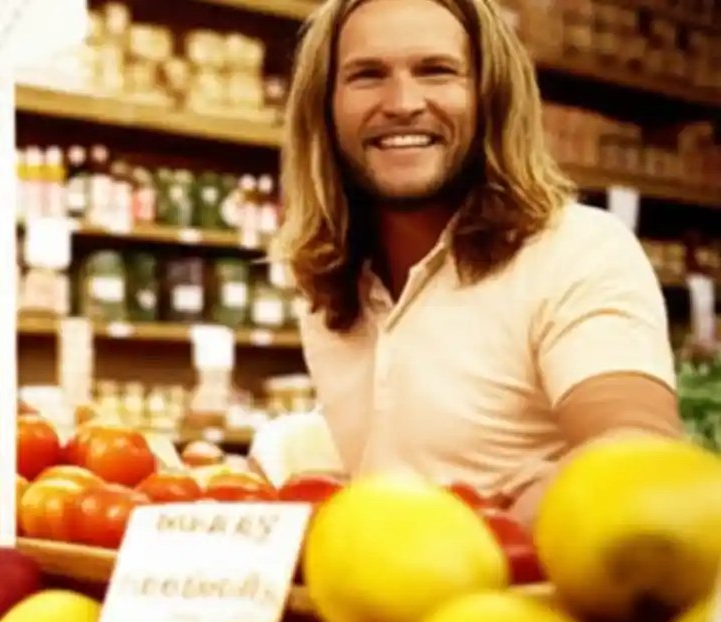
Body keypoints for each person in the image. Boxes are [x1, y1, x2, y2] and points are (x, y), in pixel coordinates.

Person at [271, 0, 683, 524]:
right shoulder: (329, 283)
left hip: (526, 577)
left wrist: (504, 525)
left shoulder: (577, 249)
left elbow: (637, 452)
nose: (402, 103)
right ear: (324, 108)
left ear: (491, 95)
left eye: (436, 71)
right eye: (367, 75)